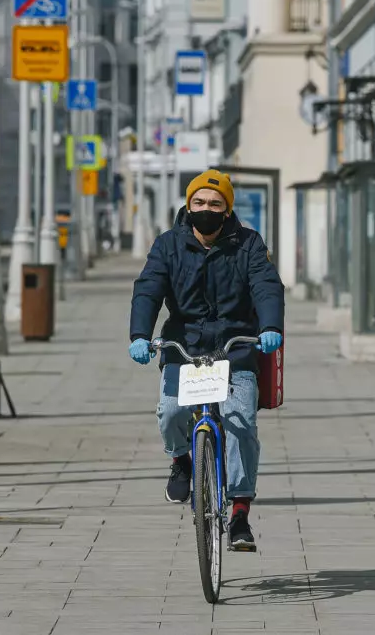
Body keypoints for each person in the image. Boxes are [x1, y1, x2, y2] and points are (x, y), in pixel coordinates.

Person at [128, 169, 284, 551]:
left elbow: (266, 284)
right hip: (185, 346)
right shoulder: (168, 245)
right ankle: (181, 459)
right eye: (199, 202)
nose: (206, 210)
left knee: (241, 423)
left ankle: (240, 513)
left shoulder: (248, 244)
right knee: (170, 413)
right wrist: (139, 335)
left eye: (215, 204)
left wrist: (269, 326)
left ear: (227, 209)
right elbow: (149, 288)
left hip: (236, 348)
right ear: (188, 204)